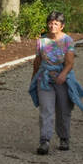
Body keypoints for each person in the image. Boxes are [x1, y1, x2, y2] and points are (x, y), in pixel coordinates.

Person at [30, 11, 76, 155]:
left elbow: (70, 63)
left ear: (62, 26)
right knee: (46, 109)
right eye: (50, 23)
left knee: (63, 109)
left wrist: (62, 75)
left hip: (62, 78)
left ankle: (64, 137)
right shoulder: (42, 41)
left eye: (56, 23)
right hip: (45, 79)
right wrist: (33, 79)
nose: (52, 26)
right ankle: (44, 141)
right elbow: (37, 61)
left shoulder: (67, 41)